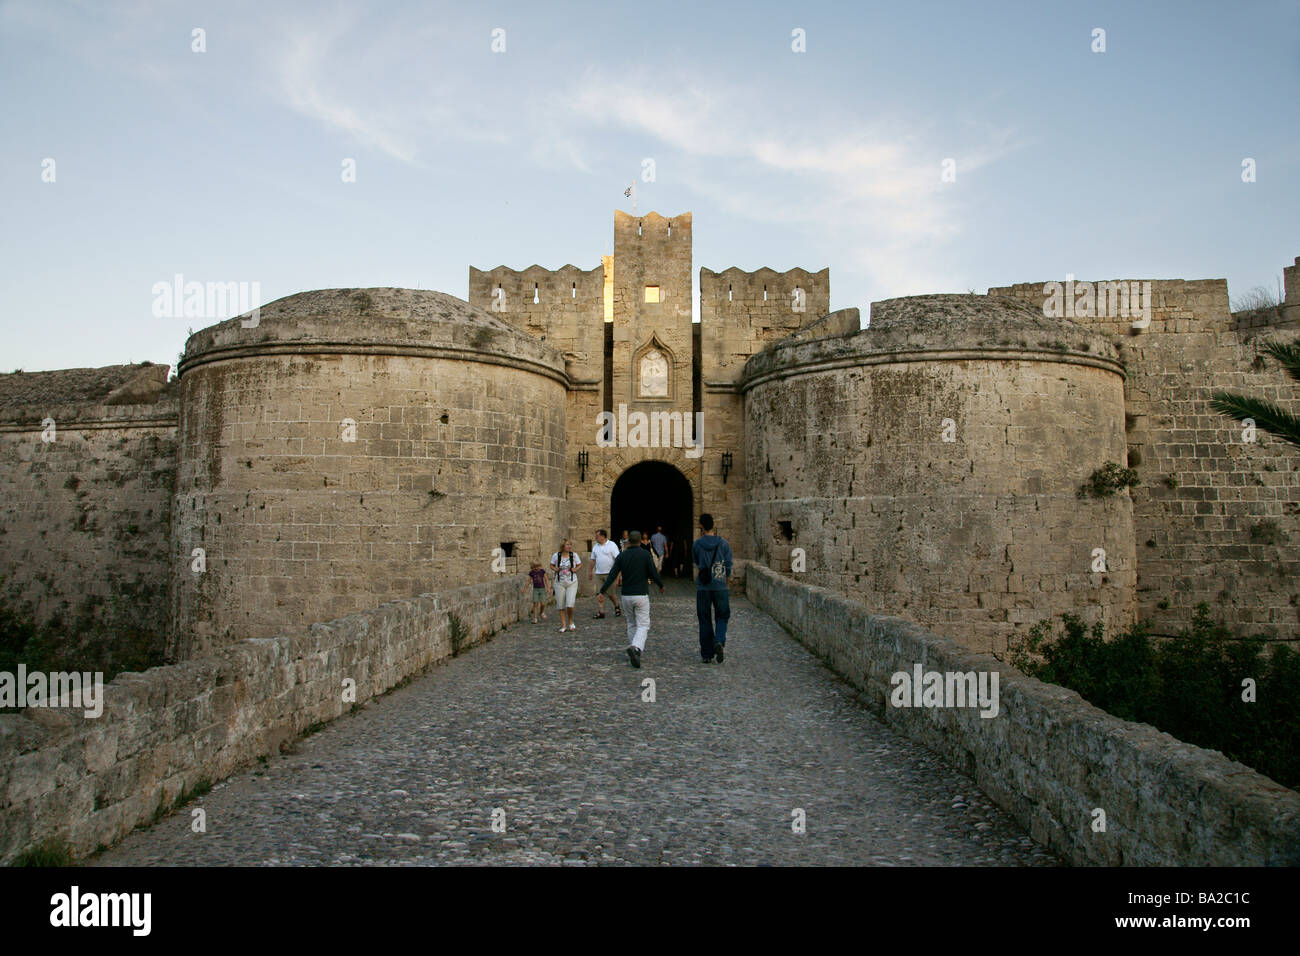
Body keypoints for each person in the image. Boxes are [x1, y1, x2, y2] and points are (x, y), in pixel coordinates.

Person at [598, 530, 664, 668]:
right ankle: (636, 647)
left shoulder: (622, 556)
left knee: (631, 623)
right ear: (640, 541)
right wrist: (660, 585)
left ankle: (634, 649)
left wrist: (602, 590)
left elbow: (612, 574)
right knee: (643, 624)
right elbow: (653, 572)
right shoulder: (645, 554)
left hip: (626, 595)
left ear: (628, 541)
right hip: (640, 594)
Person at [692, 513, 733, 664]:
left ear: (701, 526)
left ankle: (707, 654)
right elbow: (728, 565)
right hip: (720, 585)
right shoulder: (723, 544)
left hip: (704, 587)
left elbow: (696, 561)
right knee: (722, 615)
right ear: (713, 525)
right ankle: (719, 640)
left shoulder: (697, 544)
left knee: (704, 619)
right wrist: (727, 582)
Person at [588, 529, 622, 618]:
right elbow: (592, 560)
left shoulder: (612, 545)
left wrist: (618, 576)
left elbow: (618, 560)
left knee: (611, 594)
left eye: (597, 536)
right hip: (599, 574)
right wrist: (590, 571)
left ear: (603, 536)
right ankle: (601, 612)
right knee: (599, 593)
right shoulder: (595, 546)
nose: (595, 538)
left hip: (610, 574)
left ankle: (616, 606)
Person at [550, 540, 582, 632]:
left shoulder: (574, 555)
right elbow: (551, 565)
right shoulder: (556, 555)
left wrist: (575, 569)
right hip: (559, 582)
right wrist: (555, 568)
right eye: (567, 545)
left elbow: (579, 564)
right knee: (560, 605)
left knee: (570, 604)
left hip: (572, 582)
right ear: (562, 546)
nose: (569, 546)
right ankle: (563, 625)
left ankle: (571, 621)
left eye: (570, 545)